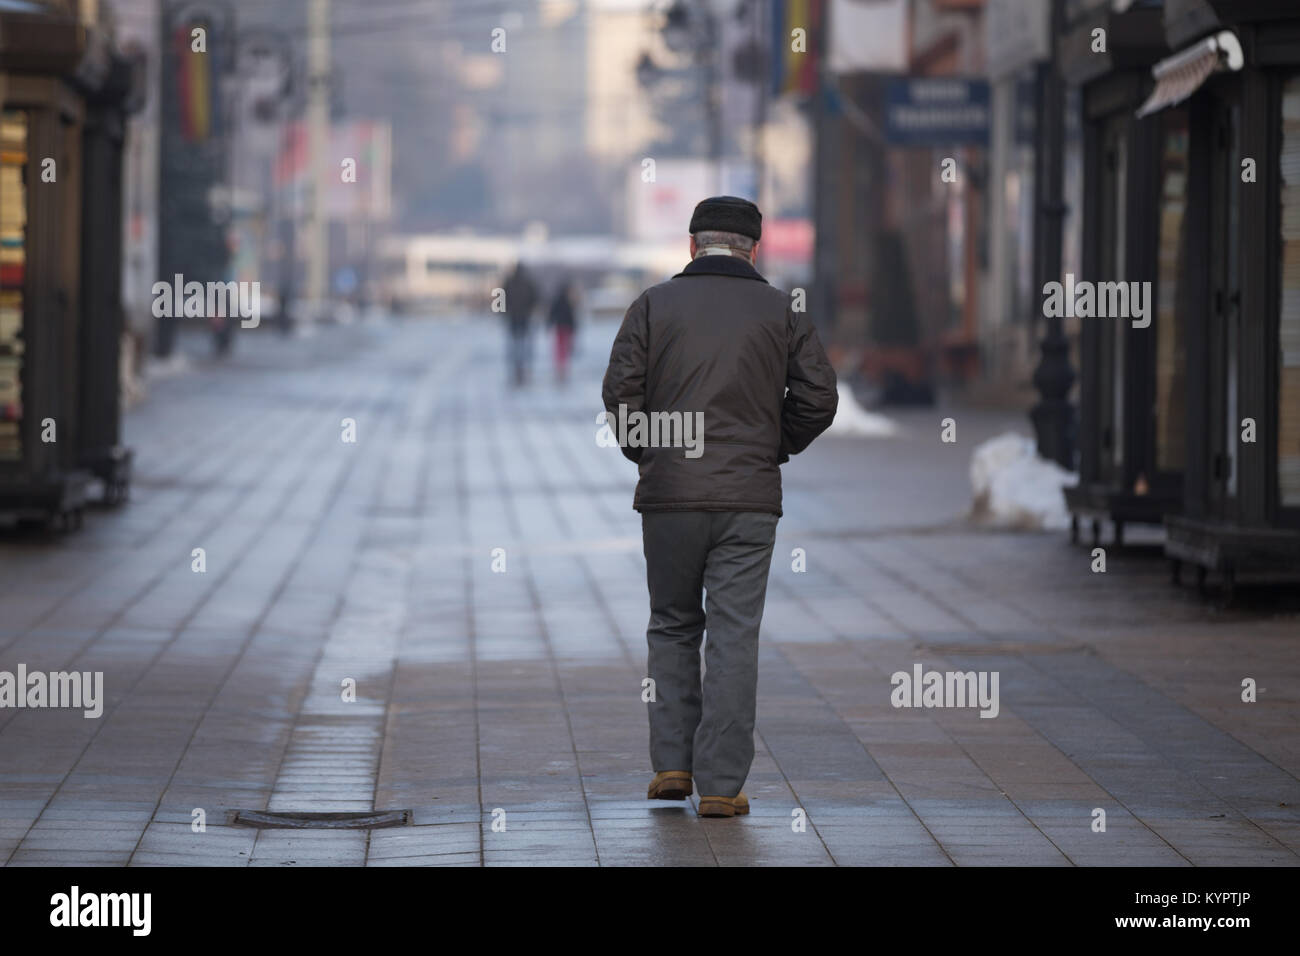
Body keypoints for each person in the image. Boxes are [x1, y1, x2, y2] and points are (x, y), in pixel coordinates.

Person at [601, 196, 838, 818]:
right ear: (754, 250)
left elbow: (621, 394)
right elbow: (818, 398)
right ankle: (723, 786)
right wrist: (769, 446)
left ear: (690, 245)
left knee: (673, 624)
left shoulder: (652, 305)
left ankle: (672, 765)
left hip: (670, 500)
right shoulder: (782, 310)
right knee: (733, 635)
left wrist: (655, 456)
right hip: (748, 503)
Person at [502, 261, 538, 387]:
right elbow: (536, 298)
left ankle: (516, 371)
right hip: (524, 319)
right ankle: (522, 371)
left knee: (514, 347)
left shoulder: (509, 282)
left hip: (513, 319)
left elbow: (500, 298)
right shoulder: (528, 283)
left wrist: (503, 312)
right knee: (523, 347)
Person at [547, 279, 577, 384]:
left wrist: (549, 324)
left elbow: (552, 313)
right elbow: (572, 317)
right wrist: (574, 328)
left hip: (559, 327)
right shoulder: (569, 301)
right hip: (566, 329)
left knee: (559, 349)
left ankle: (559, 369)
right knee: (564, 349)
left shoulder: (557, 300)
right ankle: (563, 369)